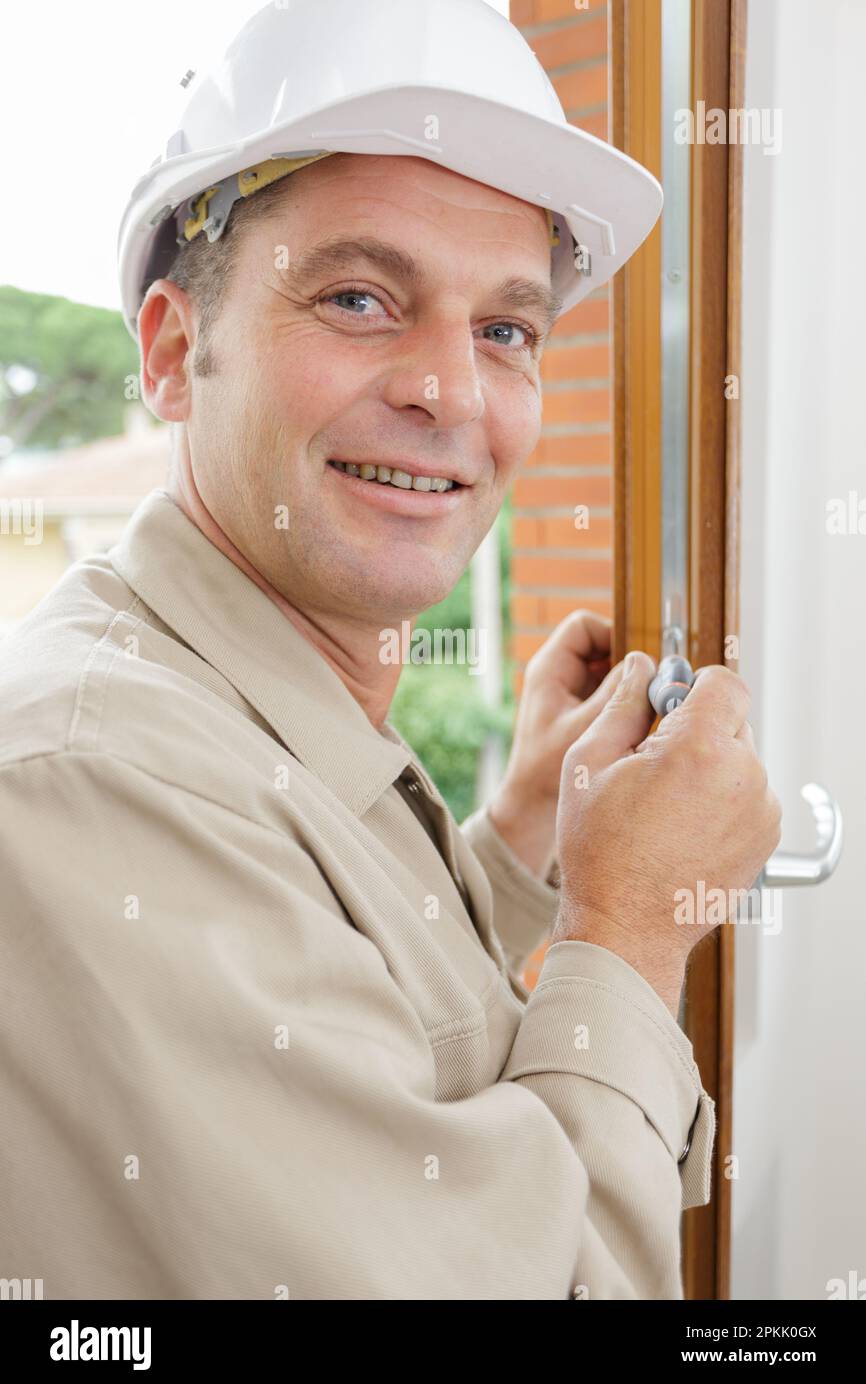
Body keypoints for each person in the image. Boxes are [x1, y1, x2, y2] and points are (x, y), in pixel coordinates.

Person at [0, 0, 781, 1299]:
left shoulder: (229, 706)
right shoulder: (98, 784)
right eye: (359, 298)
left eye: (505, 330)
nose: (452, 391)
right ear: (176, 354)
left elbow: (358, 1018)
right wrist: (632, 925)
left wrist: (519, 842)